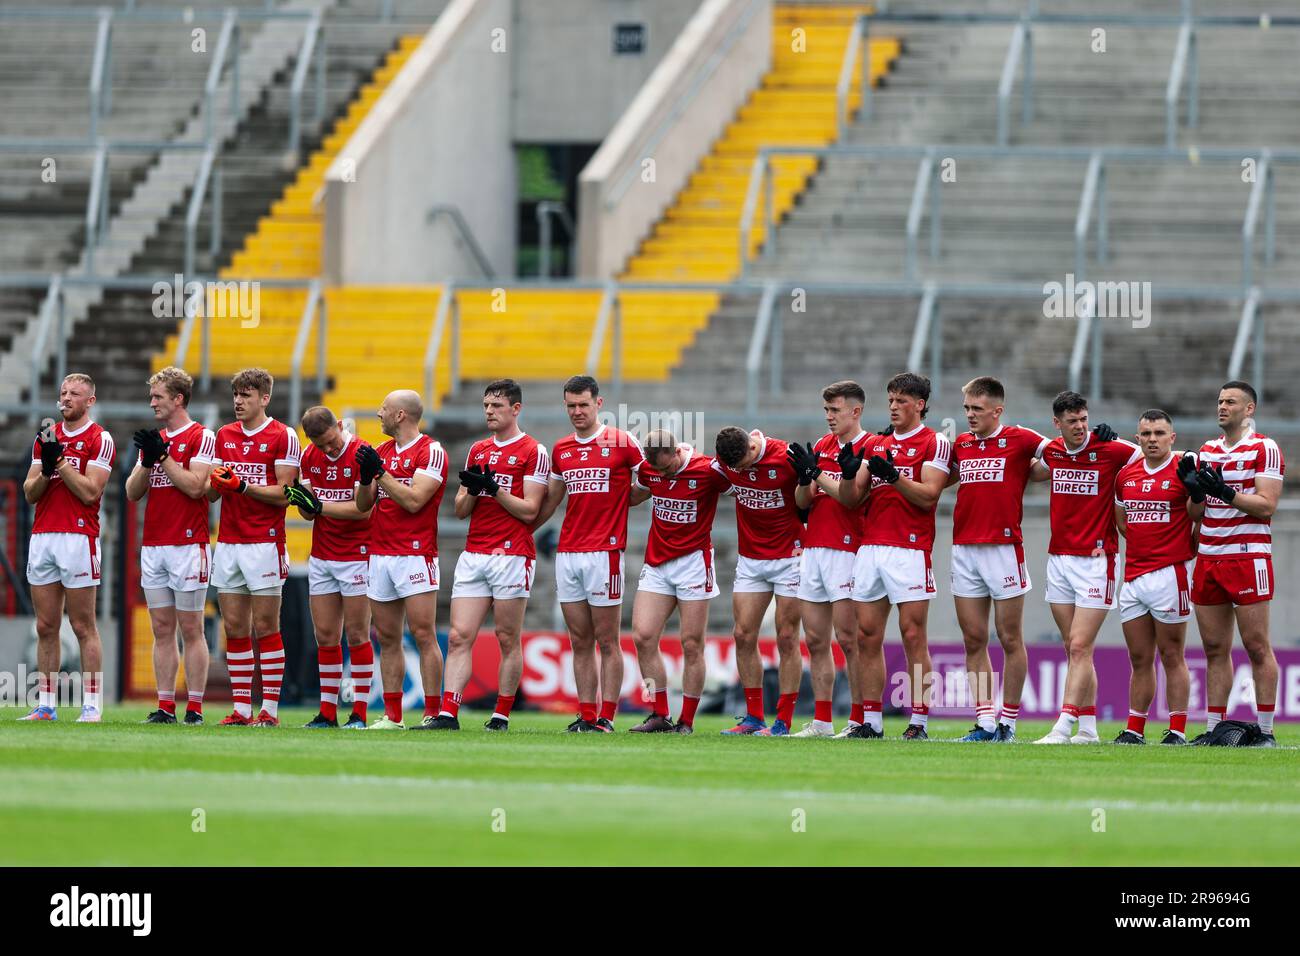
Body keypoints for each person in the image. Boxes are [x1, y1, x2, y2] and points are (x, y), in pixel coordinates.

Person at [837, 372, 952, 740]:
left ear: (919, 404)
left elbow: (929, 494)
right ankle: (871, 722)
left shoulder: (935, 442)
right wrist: (847, 473)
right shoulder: (876, 443)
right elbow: (853, 498)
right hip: (870, 547)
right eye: (890, 400)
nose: (894, 406)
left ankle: (918, 722)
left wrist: (894, 477)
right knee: (866, 636)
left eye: (902, 400)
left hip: (910, 548)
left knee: (912, 635)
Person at [431, 380, 549, 732]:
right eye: (485, 406)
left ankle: (501, 713)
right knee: (457, 636)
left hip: (511, 555)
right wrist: (472, 488)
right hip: (475, 551)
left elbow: (530, 511)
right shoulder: (478, 450)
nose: (489, 412)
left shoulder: (533, 450)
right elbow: (461, 509)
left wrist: (495, 489)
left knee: (506, 637)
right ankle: (448, 712)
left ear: (516, 409)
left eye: (496, 406)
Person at [534, 376, 645, 732]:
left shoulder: (623, 442)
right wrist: (526, 527)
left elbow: (648, 482)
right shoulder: (561, 448)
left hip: (605, 553)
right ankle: (585, 713)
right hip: (568, 552)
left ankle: (606, 717)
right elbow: (551, 499)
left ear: (599, 404)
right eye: (571, 406)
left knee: (608, 639)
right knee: (579, 640)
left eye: (583, 404)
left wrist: (620, 502)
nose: (577, 412)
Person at [1030, 390, 1138, 744]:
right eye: (1072, 421)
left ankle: (1063, 725)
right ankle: (1089, 729)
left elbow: (1151, 455)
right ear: (1056, 424)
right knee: (1073, 647)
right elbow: (1033, 468)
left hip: (1097, 561)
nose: (1079, 427)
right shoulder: (1053, 452)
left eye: (1083, 419)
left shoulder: (1112, 449)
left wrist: (1119, 437)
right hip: (1059, 558)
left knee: (1079, 646)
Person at [945, 377, 1047, 742]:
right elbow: (939, 479)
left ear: (997, 411)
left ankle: (1009, 722)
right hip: (964, 548)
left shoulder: (1022, 438)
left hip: (1003, 550)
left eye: (977, 409)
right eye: (966, 409)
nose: (970, 416)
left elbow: (1061, 456)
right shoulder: (961, 444)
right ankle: (985, 721)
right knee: (973, 638)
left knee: (1009, 637)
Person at [207, 368, 306, 727]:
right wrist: (216, 483)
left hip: (264, 542)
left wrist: (243, 486)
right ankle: (242, 709)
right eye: (235, 395)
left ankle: (271, 711)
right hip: (229, 542)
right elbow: (215, 491)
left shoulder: (283, 435)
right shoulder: (224, 435)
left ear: (264, 398)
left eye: (246, 395)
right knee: (234, 627)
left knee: (266, 626)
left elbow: (286, 494)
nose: (238, 401)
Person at [1190, 381, 1285, 747]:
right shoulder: (1207, 451)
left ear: (1249, 410)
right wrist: (1197, 492)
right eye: (1219, 401)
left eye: (1230, 401)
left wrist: (1227, 493)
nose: (1222, 406)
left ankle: (1266, 731)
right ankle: (1216, 727)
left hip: (1247, 556)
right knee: (1214, 648)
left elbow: (1266, 505)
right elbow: (1195, 514)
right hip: (1210, 556)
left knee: (1257, 646)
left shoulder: (1265, 448)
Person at [21, 373, 115, 722]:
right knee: (45, 626)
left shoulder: (99, 438)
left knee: (82, 625)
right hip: (43, 536)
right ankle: (46, 705)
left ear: (90, 400)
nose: (66, 398)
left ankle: (92, 705)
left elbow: (91, 491)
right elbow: (30, 493)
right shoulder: (45, 438)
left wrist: (60, 462)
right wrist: (46, 469)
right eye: (63, 392)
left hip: (78, 538)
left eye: (75, 393)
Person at [125, 367, 216, 725]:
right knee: (161, 628)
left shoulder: (201, 436)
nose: (152, 403)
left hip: (188, 544)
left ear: (178, 399)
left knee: (191, 628)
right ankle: (165, 706)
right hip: (155, 544)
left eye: (158, 397)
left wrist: (164, 457)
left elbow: (197, 487)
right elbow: (133, 492)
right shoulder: (156, 440)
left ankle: (194, 707)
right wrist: (148, 462)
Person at [354, 390, 447, 730]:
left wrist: (381, 475)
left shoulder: (431, 450)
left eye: (384, 408)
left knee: (423, 634)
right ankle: (393, 716)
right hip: (380, 554)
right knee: (388, 637)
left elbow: (414, 501)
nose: (378, 413)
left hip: (415, 554)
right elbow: (363, 505)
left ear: (400, 416)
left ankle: (433, 712)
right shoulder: (380, 452)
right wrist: (366, 477)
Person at [627, 430, 731, 735]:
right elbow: (640, 491)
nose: (663, 474)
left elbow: (738, 485)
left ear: (677, 452)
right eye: (657, 470)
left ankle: (686, 721)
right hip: (657, 562)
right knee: (643, 636)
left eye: (667, 468)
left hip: (693, 563)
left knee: (691, 644)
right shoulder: (650, 469)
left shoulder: (708, 470)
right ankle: (660, 714)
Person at [783, 380, 871, 737]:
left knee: (850, 639)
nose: (829, 417)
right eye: (826, 410)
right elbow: (803, 502)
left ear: (856, 411)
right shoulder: (821, 445)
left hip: (847, 549)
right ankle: (821, 720)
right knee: (816, 640)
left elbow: (851, 498)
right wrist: (806, 478)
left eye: (835, 410)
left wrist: (818, 474)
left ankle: (860, 718)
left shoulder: (869, 447)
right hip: (814, 547)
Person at [1113, 410, 1202, 745]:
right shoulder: (1126, 475)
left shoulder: (1183, 468)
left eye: (1159, 433)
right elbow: (1122, 522)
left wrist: (1196, 492)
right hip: (1134, 576)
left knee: (1171, 654)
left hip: (1170, 573)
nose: (1152, 439)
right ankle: (1135, 728)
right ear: (1137, 438)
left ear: (1172, 438)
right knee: (1139, 658)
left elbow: (1197, 514)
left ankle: (1177, 729)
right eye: (1146, 433)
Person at [713, 426, 804, 736]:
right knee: (742, 634)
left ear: (752, 449)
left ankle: (783, 721)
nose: (738, 473)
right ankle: (753, 717)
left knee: (787, 637)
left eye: (741, 466)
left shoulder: (785, 457)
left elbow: (810, 496)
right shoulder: (728, 459)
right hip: (751, 559)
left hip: (790, 557)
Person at [296, 406, 374, 730]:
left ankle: (359, 713)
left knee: (356, 634)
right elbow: (309, 514)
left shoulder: (362, 453)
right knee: (326, 636)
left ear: (339, 426)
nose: (328, 449)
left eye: (331, 440)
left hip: (357, 554)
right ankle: (327, 712)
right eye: (320, 444)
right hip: (322, 556)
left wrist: (320, 506)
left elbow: (363, 510)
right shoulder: (307, 457)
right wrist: (302, 501)